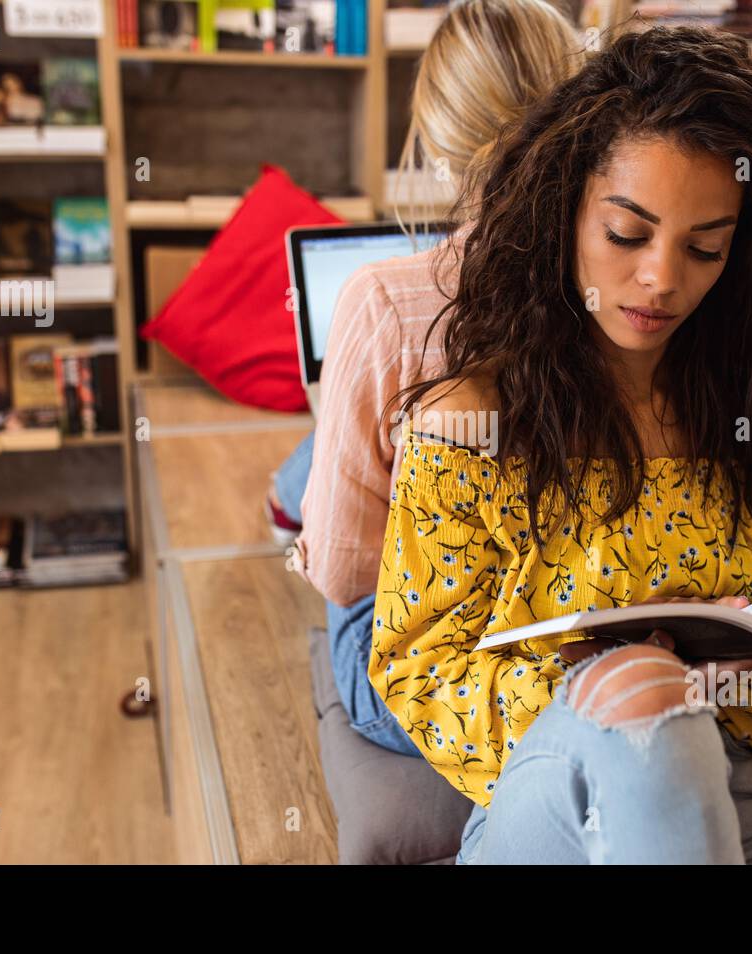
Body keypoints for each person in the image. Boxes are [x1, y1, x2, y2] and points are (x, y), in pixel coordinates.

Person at [372, 24, 752, 863]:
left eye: (704, 247)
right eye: (627, 236)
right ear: (562, 215)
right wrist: (613, 683)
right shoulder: (470, 422)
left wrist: (718, 681)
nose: (663, 279)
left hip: (737, 793)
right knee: (639, 707)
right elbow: (417, 672)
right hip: (553, 795)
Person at [277, 0, 587, 756]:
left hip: (440, 686)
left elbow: (348, 576)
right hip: (580, 634)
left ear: (442, 151)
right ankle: (294, 487)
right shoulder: (640, 284)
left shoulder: (384, 299)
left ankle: (290, 498)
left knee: (319, 487)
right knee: (316, 462)